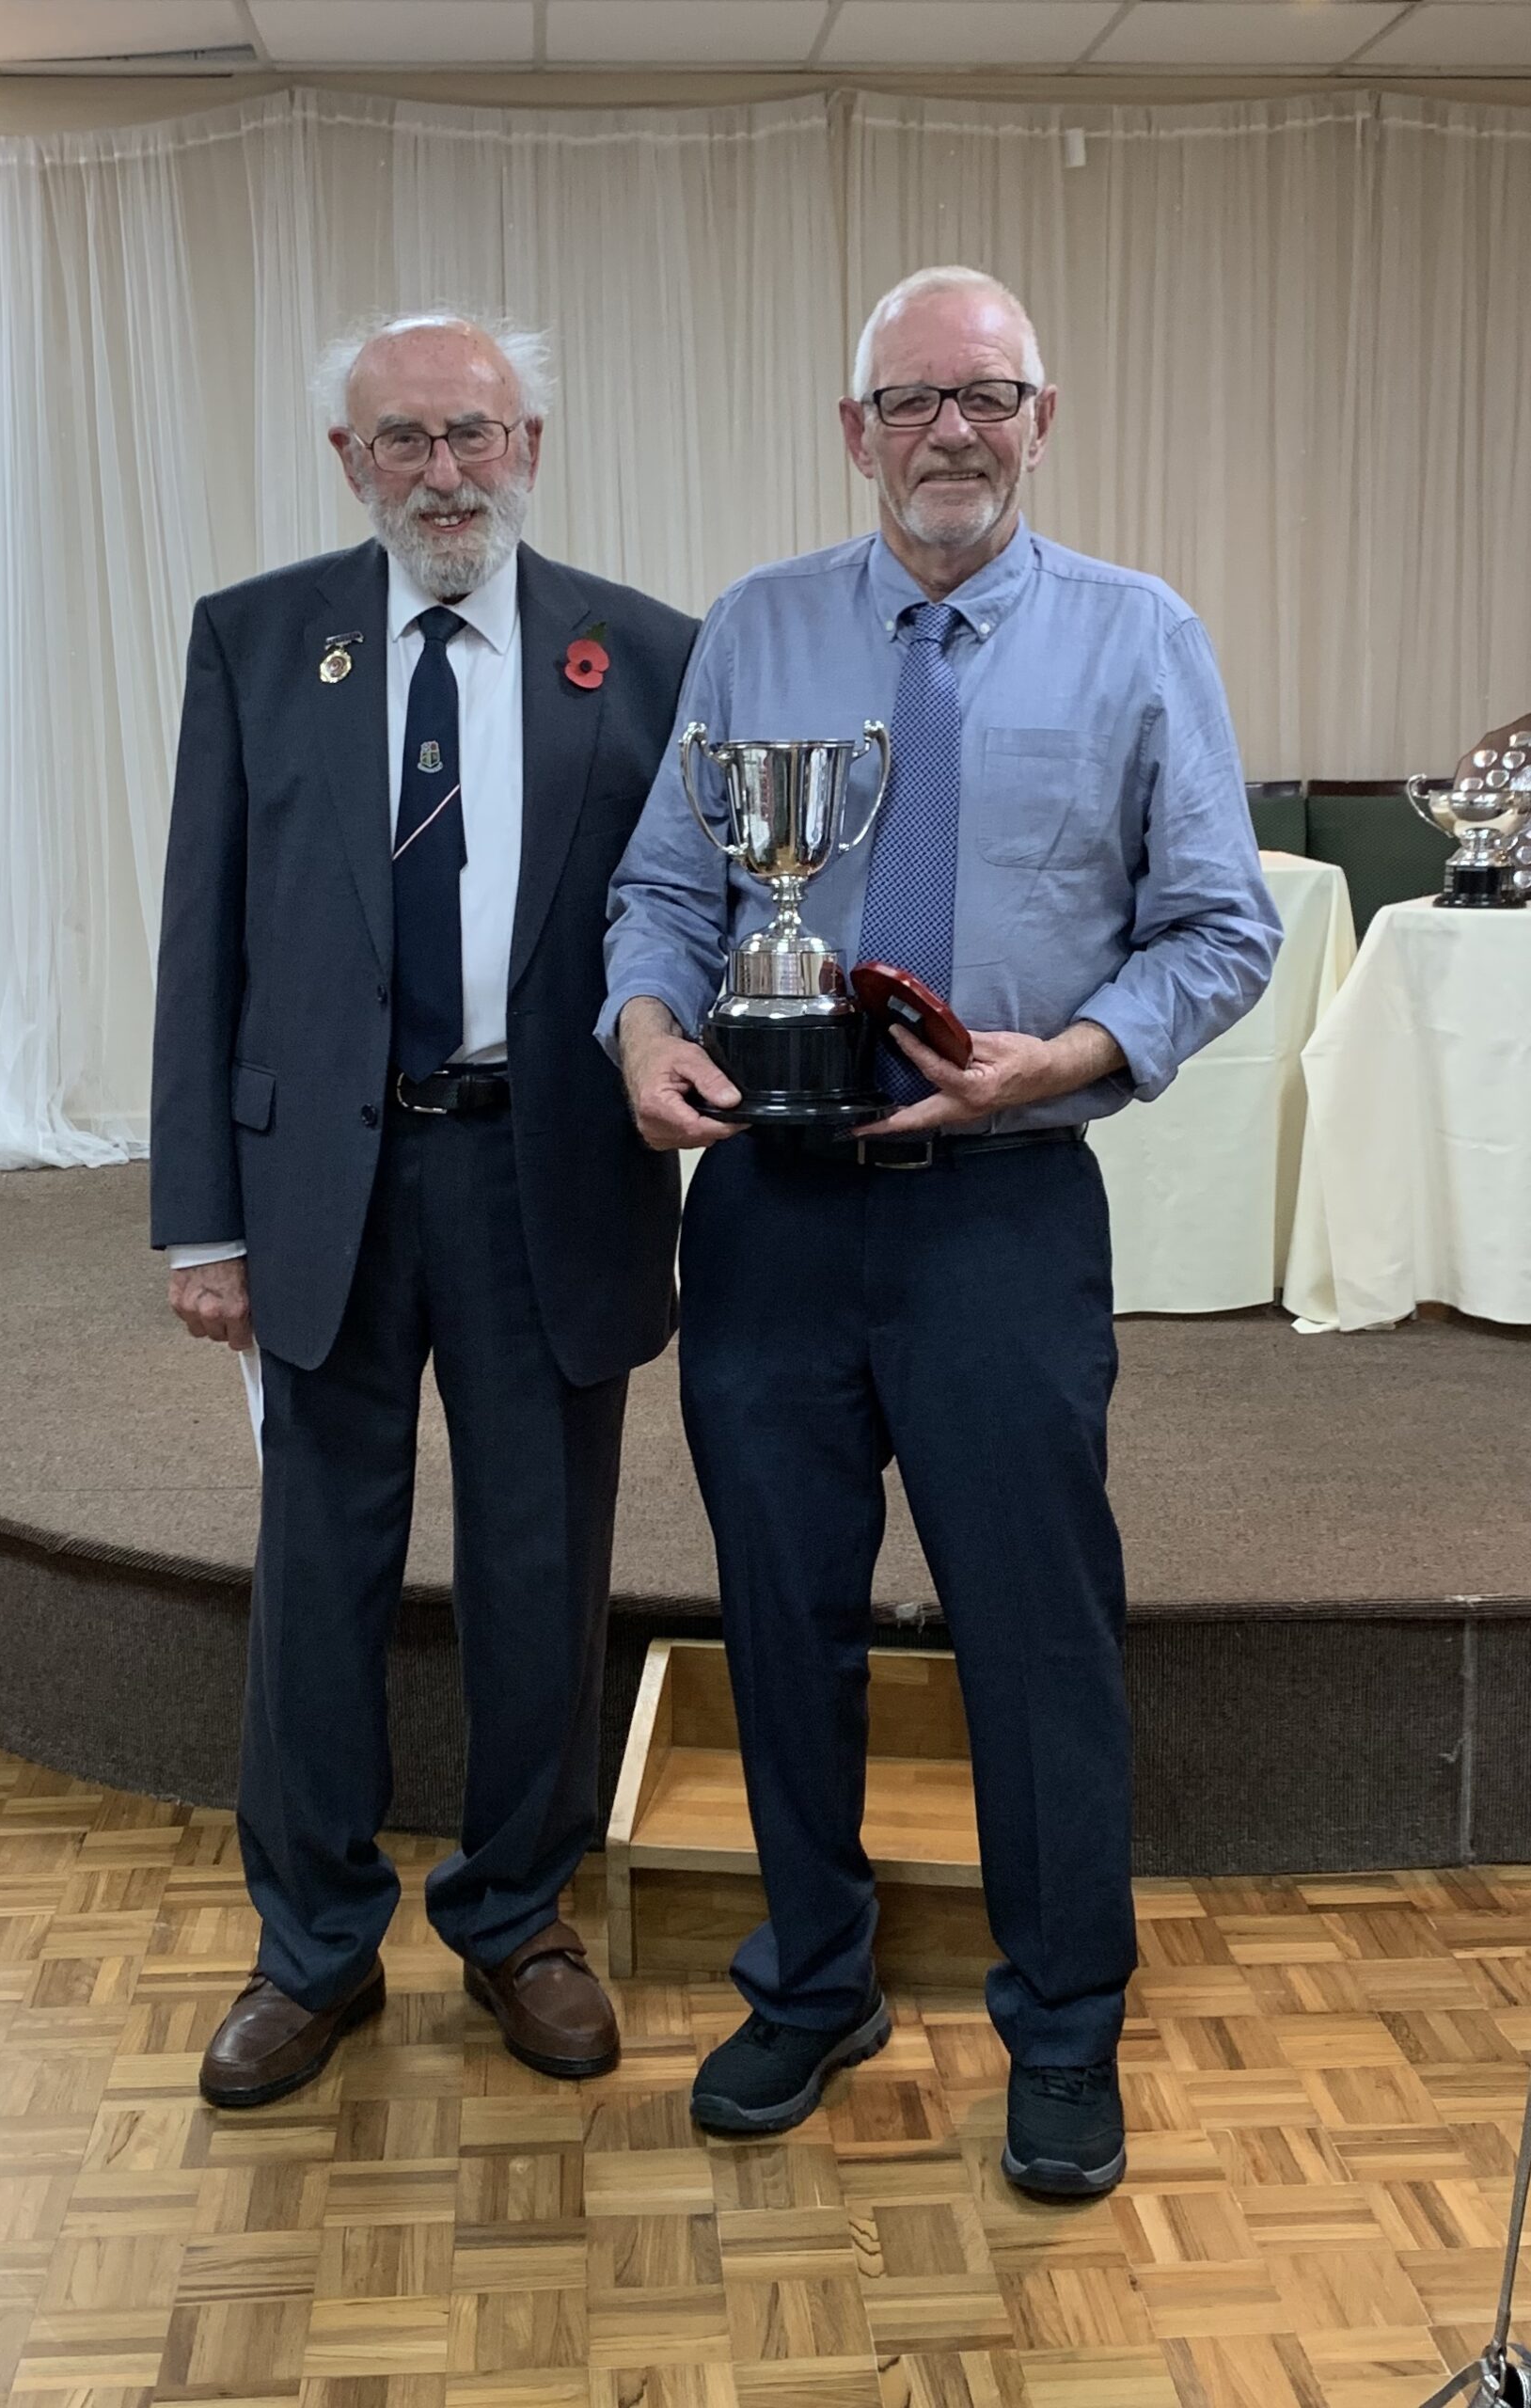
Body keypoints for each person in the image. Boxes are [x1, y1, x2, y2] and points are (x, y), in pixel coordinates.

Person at [602, 265, 1282, 2196]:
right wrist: (647, 1031)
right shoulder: (758, 628)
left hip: (1002, 1210)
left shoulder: (1141, 636)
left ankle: (1064, 2022)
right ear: (853, 431)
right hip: (769, 1219)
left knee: (1034, 1632)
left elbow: (1222, 925)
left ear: (1039, 419)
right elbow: (665, 889)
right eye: (909, 398)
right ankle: (810, 1978)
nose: (949, 430)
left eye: (986, 395)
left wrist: (1056, 1057)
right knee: (778, 1619)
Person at [150, 309, 696, 2106]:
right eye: (407, 440)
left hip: (549, 1177)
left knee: (544, 1575)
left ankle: (517, 1920)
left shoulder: (646, 652)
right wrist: (199, 1220)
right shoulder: (256, 642)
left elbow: (674, 914)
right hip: (330, 1181)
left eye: (475, 433)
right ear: (350, 461)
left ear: (531, 439)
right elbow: (202, 941)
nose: (446, 471)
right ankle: (310, 1947)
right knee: (320, 1575)